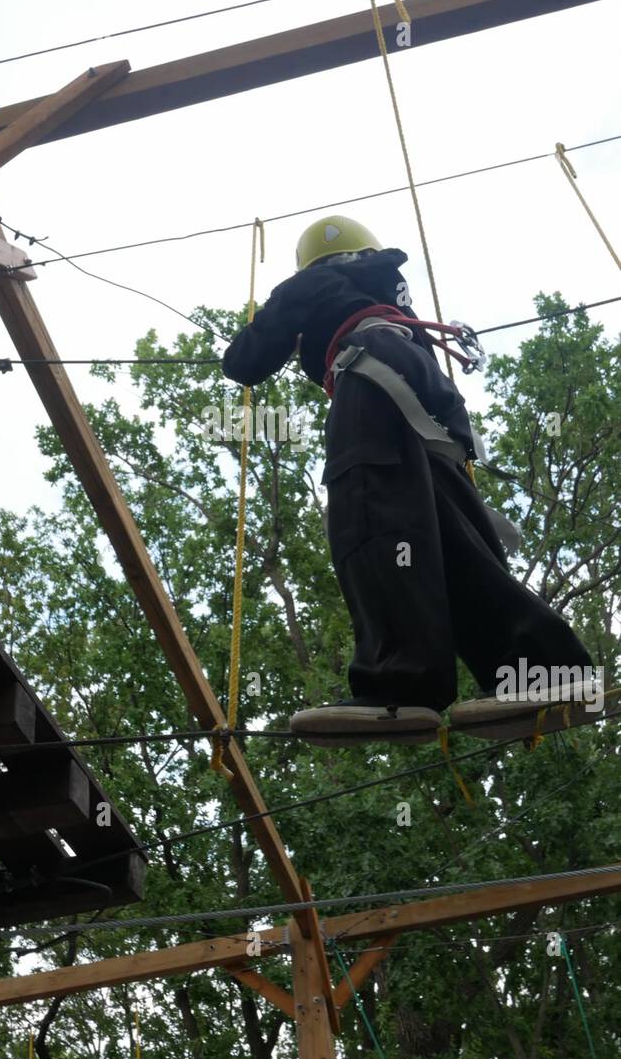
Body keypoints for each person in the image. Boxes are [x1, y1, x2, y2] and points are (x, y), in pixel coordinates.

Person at [222, 214, 594, 746]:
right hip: (433, 409)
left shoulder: (312, 284)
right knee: (451, 543)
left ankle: (398, 682)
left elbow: (244, 363)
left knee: (371, 520)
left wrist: (290, 320)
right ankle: (544, 672)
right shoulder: (393, 296)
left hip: (371, 383)